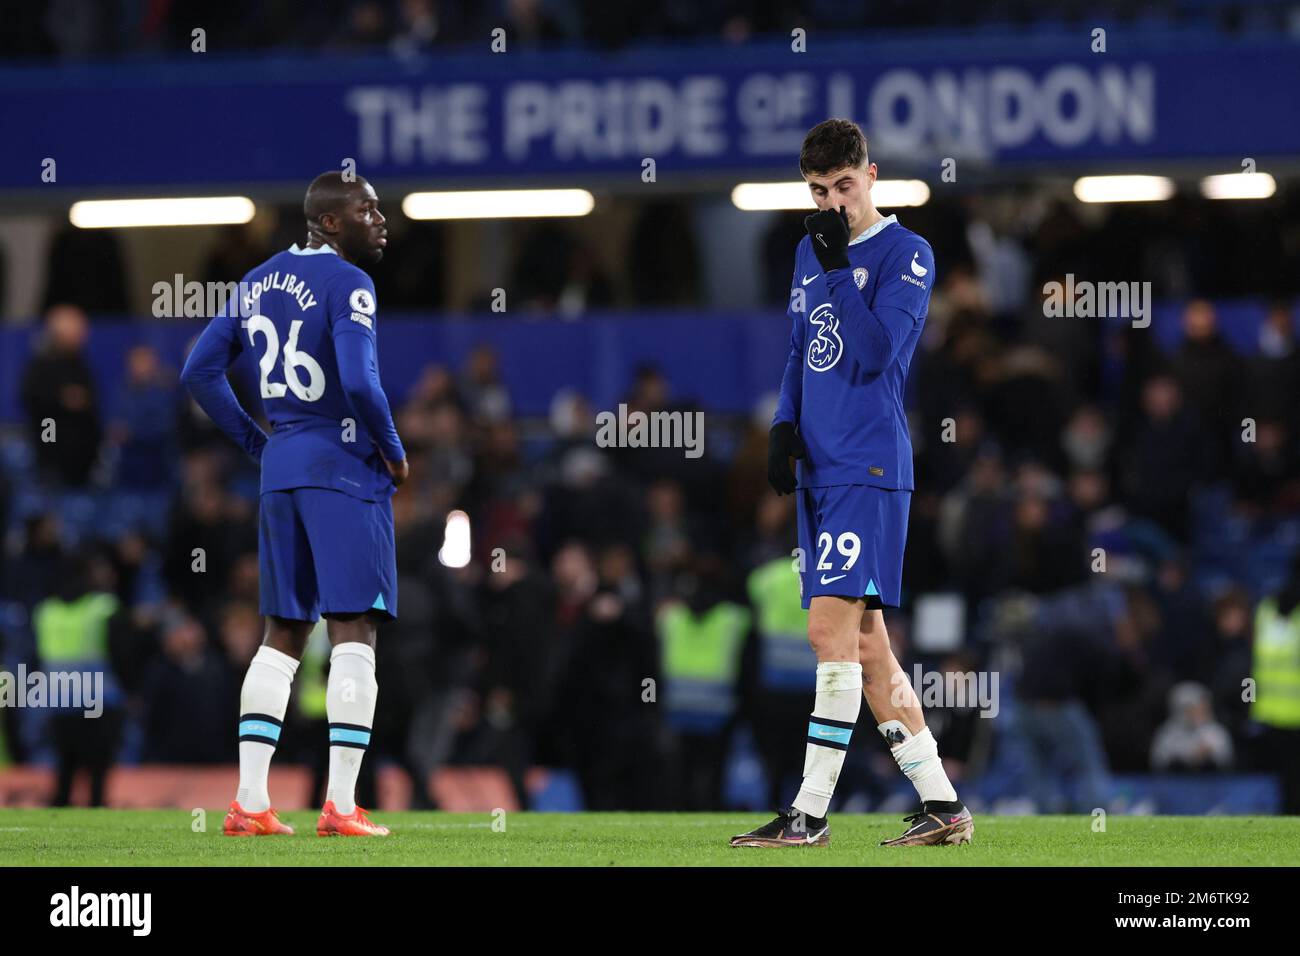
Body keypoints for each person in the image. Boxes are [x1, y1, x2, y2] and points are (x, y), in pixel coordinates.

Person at [731, 119, 970, 849]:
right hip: (820, 472)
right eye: (818, 191)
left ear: (871, 177)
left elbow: (873, 354)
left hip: (868, 469)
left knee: (825, 632)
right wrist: (781, 425)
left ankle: (808, 814)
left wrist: (838, 266)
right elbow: (805, 348)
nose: (833, 202)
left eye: (842, 186)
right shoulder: (809, 250)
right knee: (870, 653)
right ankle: (943, 805)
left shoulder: (909, 253)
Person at [180, 171, 408, 837]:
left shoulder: (255, 280)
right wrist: (393, 450)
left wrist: (259, 442)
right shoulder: (350, 283)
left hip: (281, 468)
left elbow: (198, 370)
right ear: (330, 223)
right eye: (367, 210)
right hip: (343, 468)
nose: (380, 220)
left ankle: (250, 800)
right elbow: (362, 384)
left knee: (282, 635)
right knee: (354, 629)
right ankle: (341, 803)